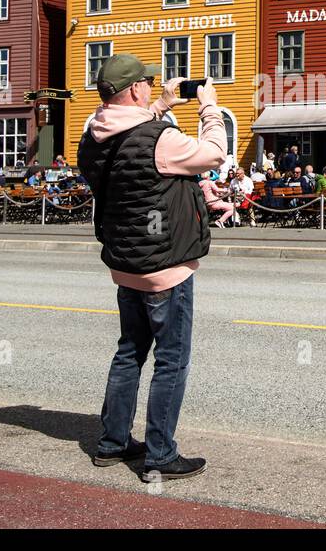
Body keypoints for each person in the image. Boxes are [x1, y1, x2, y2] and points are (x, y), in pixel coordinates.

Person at [77, 53, 225, 482]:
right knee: (171, 360)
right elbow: (213, 153)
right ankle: (160, 454)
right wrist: (209, 107)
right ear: (137, 89)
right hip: (165, 266)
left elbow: (126, 137)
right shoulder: (161, 139)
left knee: (129, 352)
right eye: (146, 84)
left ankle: (113, 442)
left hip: (126, 263)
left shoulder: (92, 135)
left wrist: (157, 105)